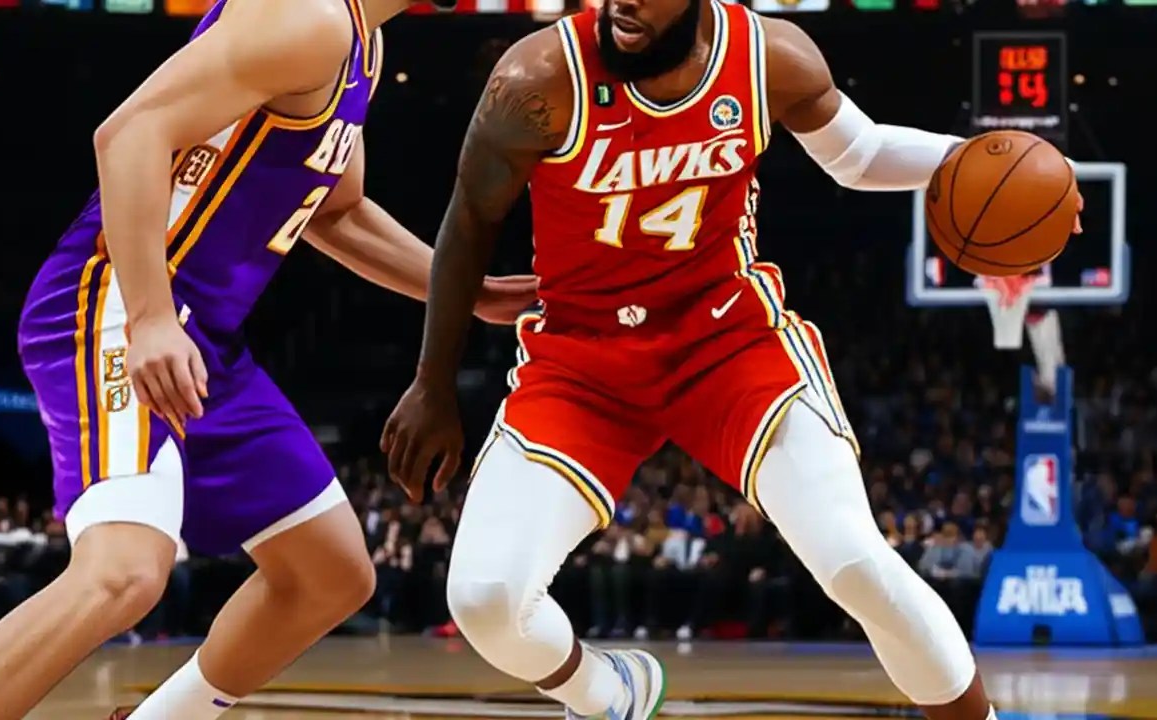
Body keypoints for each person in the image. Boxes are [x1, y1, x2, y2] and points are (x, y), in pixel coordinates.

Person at [382, 0, 1082, 717]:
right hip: (581, 358)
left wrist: (968, 161)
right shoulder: (537, 78)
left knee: (855, 562)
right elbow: (469, 218)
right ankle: (608, 694)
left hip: (727, 341)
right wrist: (432, 382)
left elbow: (859, 155)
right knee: (484, 599)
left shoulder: (768, 58)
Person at [0, 0, 534, 716]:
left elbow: (336, 213)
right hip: (118, 302)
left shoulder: (361, 43)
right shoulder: (310, 17)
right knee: (125, 573)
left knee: (329, 572)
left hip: (205, 336)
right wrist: (150, 317)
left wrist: (466, 294)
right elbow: (128, 134)